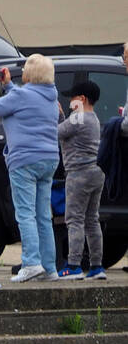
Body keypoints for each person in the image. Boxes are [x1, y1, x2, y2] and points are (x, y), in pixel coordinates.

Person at [0, 56, 60, 281]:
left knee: (25, 213)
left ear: (29, 75)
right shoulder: (50, 95)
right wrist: (8, 85)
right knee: (44, 215)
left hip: (24, 160)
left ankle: (31, 263)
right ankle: (49, 267)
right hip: (49, 159)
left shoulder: (21, 96)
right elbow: (25, 98)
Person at [57, 81, 106, 279]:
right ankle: (96, 266)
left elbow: (56, 132)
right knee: (92, 220)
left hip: (78, 174)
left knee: (74, 219)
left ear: (82, 99)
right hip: (96, 173)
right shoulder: (93, 118)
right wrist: (62, 117)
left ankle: (74, 265)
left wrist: (57, 116)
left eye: (73, 98)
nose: (70, 101)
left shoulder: (78, 117)